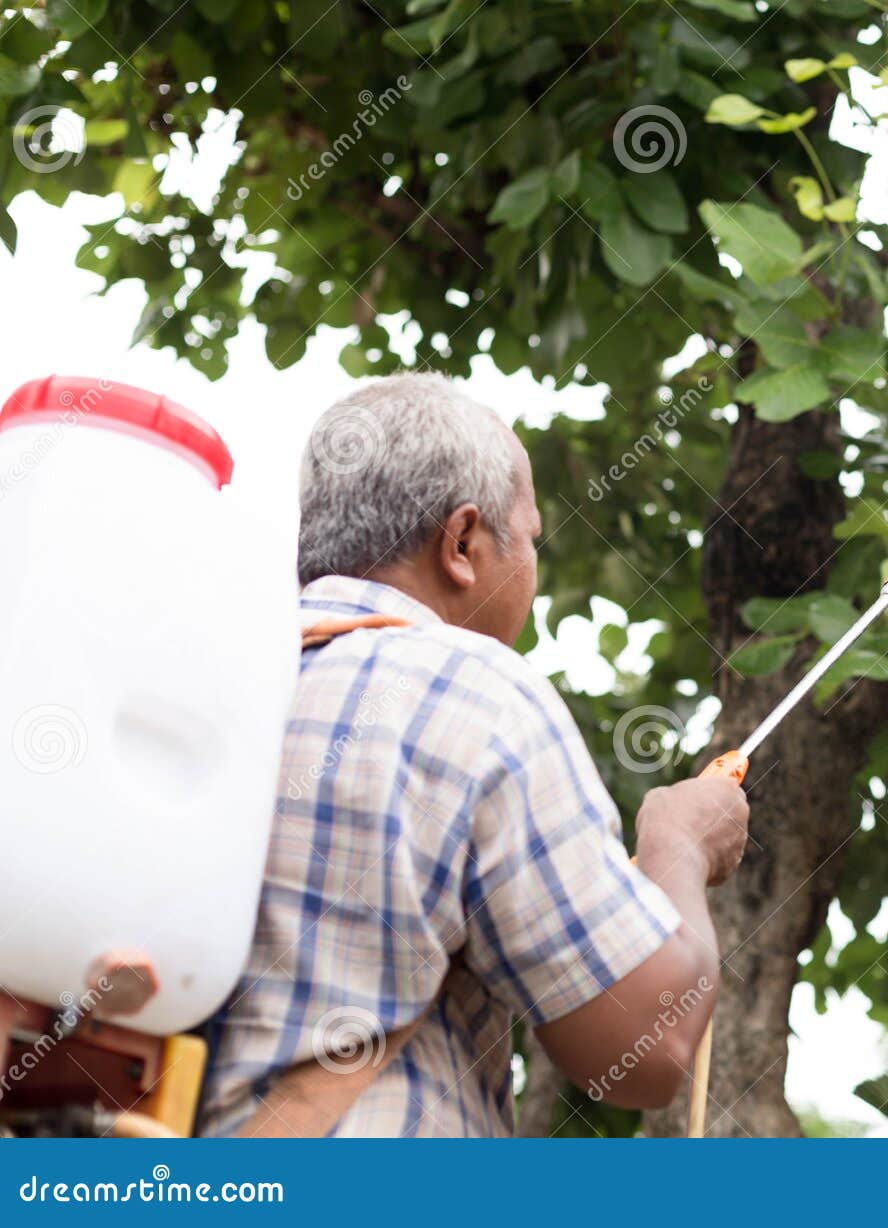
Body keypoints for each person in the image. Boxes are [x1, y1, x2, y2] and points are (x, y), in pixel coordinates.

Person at [198, 373, 748, 1137]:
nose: (531, 557)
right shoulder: (475, 692)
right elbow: (648, 1048)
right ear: (461, 543)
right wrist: (677, 849)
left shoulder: (198, 677)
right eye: (526, 535)